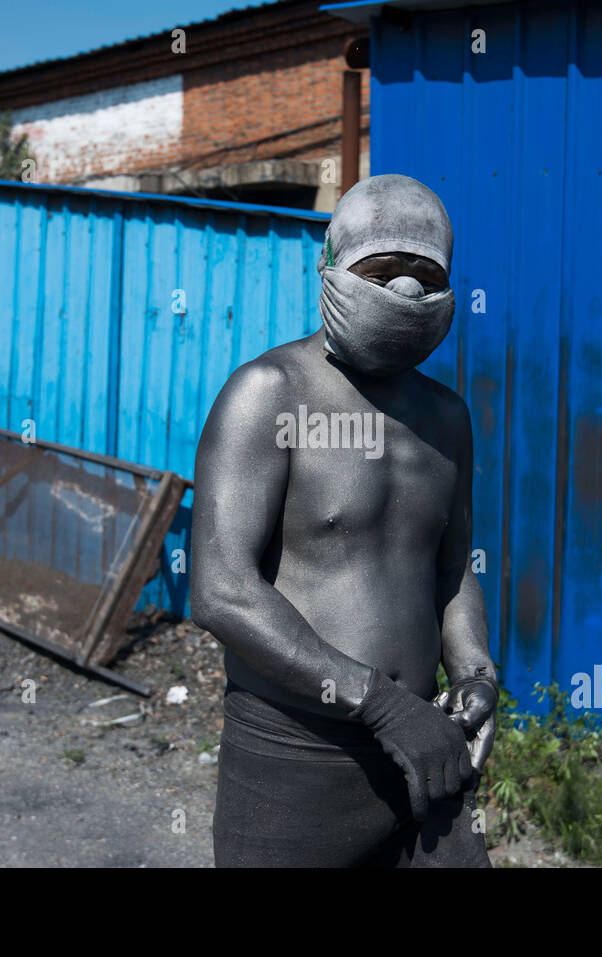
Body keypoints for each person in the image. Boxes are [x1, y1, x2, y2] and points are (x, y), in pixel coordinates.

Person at [190, 173, 498, 867]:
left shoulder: (447, 417)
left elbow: (451, 570)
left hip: (425, 755)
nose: (407, 291)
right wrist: (382, 704)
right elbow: (220, 590)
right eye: (383, 269)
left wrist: (476, 671)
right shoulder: (269, 392)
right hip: (296, 760)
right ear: (329, 270)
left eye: (425, 273)